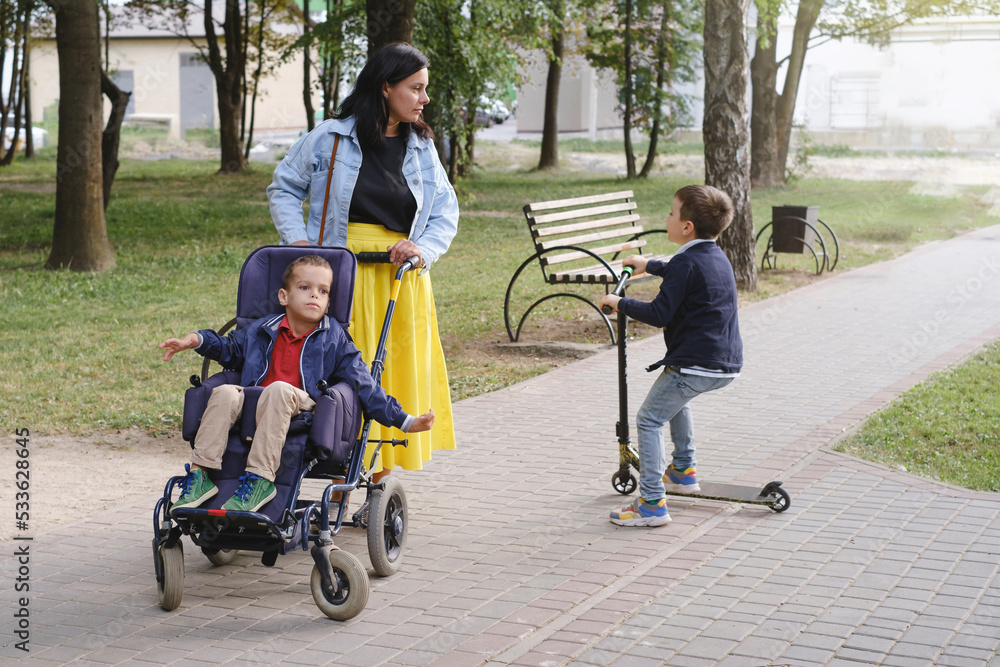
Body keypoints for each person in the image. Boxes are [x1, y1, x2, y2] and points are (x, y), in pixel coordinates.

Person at [266, 42, 457, 485]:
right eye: (416, 88)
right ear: (386, 87)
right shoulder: (329, 136)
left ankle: (376, 472)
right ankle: (335, 463)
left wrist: (422, 249)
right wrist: (297, 242)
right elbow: (284, 188)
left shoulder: (421, 147)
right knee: (345, 366)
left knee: (390, 365)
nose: (424, 98)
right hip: (339, 271)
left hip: (399, 276)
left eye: (425, 89)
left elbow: (446, 211)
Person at [159, 255, 435, 513]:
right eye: (305, 287)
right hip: (254, 405)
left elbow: (365, 385)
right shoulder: (262, 329)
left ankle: (260, 480)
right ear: (284, 296)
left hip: (303, 411)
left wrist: (406, 421)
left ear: (328, 303)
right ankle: (200, 475)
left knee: (278, 389)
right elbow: (229, 349)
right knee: (224, 392)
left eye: (323, 291)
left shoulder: (334, 340)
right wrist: (197, 340)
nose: (315, 294)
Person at [599, 185, 743, 527]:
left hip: (694, 363)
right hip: (723, 363)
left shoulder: (686, 263)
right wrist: (648, 264)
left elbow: (659, 313)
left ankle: (651, 503)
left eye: (671, 213)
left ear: (686, 227)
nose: (667, 217)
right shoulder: (713, 255)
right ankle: (682, 470)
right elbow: (683, 271)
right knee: (677, 401)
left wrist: (618, 303)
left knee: (648, 419)